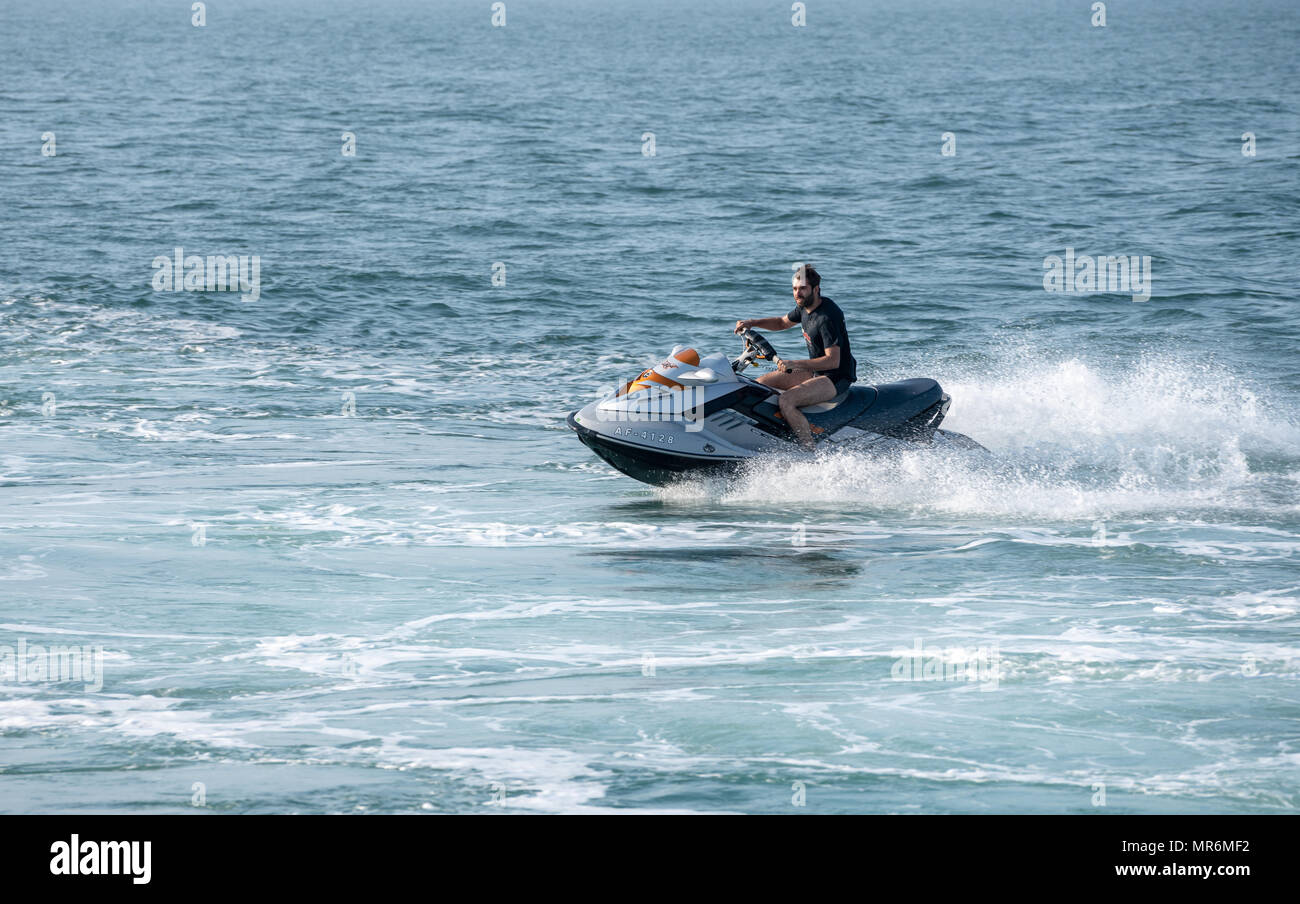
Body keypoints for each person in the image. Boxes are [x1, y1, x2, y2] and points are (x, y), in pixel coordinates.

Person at [733, 265, 857, 450]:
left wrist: (794, 364)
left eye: (802, 289)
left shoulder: (826, 318)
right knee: (758, 386)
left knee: (787, 401)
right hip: (816, 371)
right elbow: (781, 322)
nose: (798, 293)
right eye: (795, 289)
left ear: (815, 289)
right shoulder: (804, 307)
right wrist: (752, 323)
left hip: (835, 377)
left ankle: (809, 451)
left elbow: (833, 361)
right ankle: (771, 432)